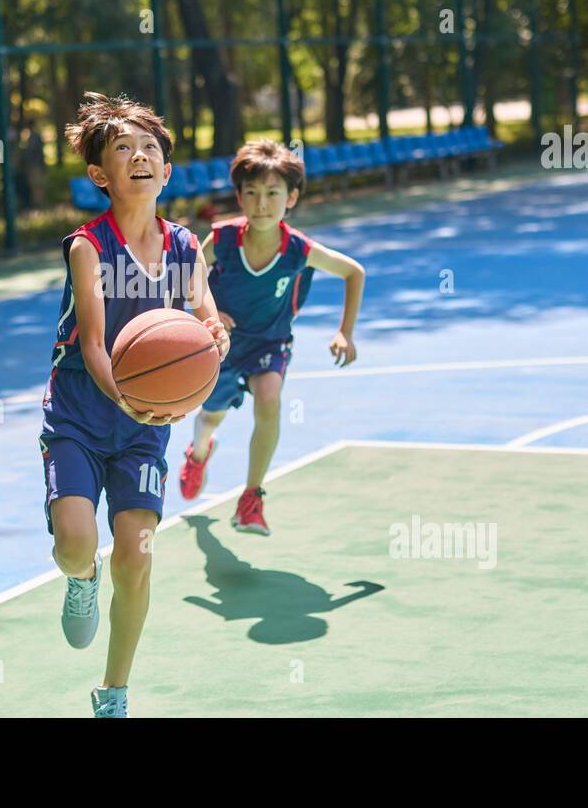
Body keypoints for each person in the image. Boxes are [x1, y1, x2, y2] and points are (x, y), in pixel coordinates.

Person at [41, 92, 230, 717]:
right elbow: (94, 343)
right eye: (124, 149)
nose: (140, 156)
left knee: (137, 556)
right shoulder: (87, 247)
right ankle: (79, 578)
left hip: (145, 428)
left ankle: (113, 692)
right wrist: (125, 396)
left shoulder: (183, 245)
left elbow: (204, 315)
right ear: (101, 176)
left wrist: (215, 336)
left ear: (167, 171)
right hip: (80, 414)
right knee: (75, 543)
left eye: (151, 148)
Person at [177, 139, 365, 534]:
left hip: (270, 342)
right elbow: (188, 274)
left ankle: (251, 498)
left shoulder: (298, 249)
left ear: (291, 198)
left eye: (273, 193)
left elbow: (354, 272)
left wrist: (345, 333)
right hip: (221, 344)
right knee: (211, 416)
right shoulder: (224, 240)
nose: (262, 203)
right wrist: (207, 310)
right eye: (253, 193)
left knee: (269, 397)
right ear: (240, 197)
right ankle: (197, 454)